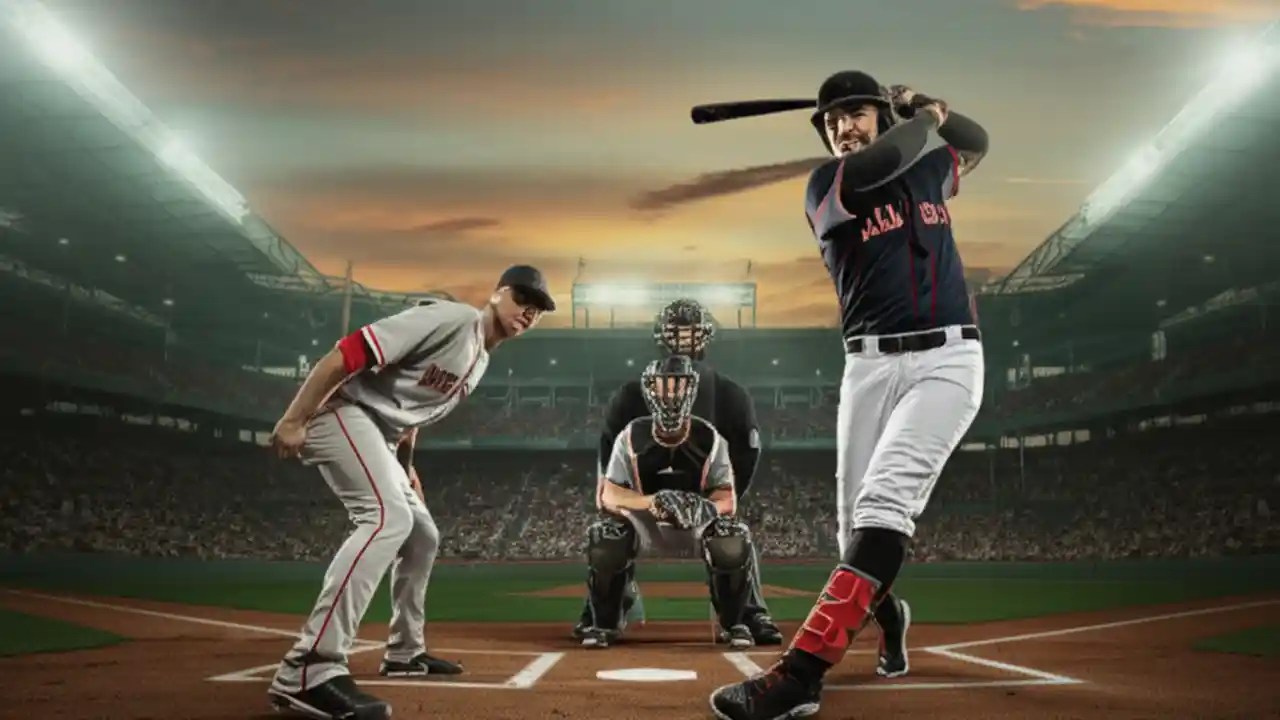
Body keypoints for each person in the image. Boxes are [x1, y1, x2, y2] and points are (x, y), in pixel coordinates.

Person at [709, 70, 989, 720]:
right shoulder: (828, 184)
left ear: (880, 115)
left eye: (854, 113)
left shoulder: (928, 171)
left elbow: (975, 141)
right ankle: (890, 618)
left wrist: (921, 107)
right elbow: (876, 165)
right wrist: (915, 118)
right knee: (851, 538)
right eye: (832, 120)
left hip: (949, 359)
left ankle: (800, 676)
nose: (841, 127)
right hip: (868, 369)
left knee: (885, 506)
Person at [267, 265, 555, 720]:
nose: (529, 311)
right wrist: (294, 418)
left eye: (537, 309)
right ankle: (309, 667)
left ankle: (403, 653)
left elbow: (411, 415)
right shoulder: (455, 320)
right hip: (342, 410)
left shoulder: (480, 358)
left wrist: (406, 468)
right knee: (386, 520)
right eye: (523, 298)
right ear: (498, 293)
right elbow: (351, 351)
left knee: (422, 535)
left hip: (378, 432)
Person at [571, 298, 782, 646]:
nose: (684, 338)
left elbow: (744, 456)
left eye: (691, 331)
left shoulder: (729, 395)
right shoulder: (629, 397)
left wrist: (712, 506)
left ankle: (748, 612)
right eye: (677, 331)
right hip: (644, 502)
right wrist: (642, 503)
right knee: (607, 536)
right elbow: (610, 459)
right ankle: (601, 611)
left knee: (732, 536)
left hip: (703, 495)